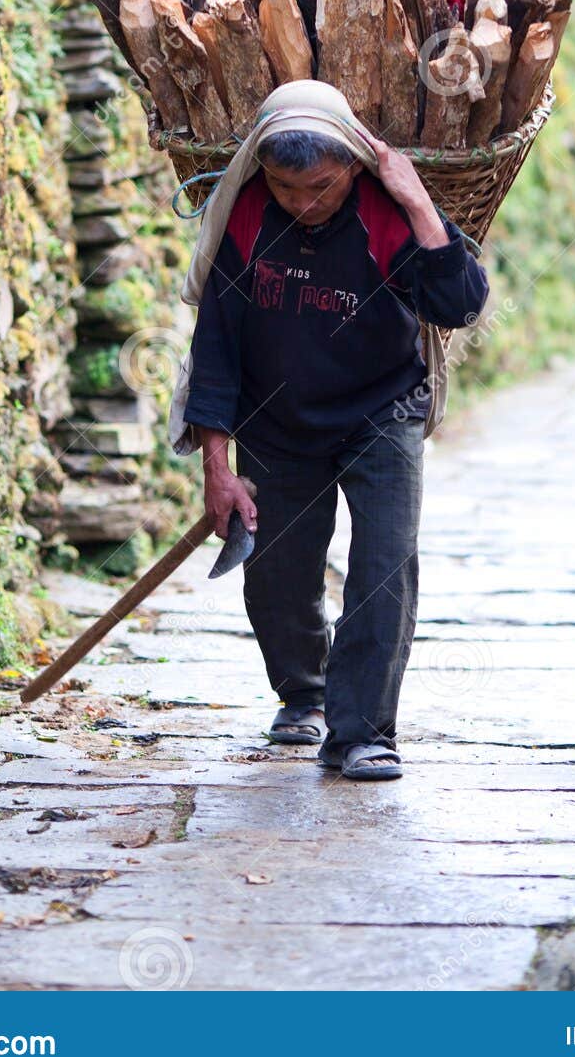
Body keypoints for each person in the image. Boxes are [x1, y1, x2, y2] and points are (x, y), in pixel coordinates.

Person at [177, 80, 488, 780]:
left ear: (352, 164)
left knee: (383, 570)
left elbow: (459, 303)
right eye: (287, 187)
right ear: (264, 176)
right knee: (276, 579)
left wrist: (413, 199)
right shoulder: (249, 215)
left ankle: (361, 733)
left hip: (381, 411)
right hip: (277, 421)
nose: (304, 203)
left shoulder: (386, 214)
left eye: (319, 186)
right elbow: (217, 343)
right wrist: (217, 467)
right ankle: (305, 691)